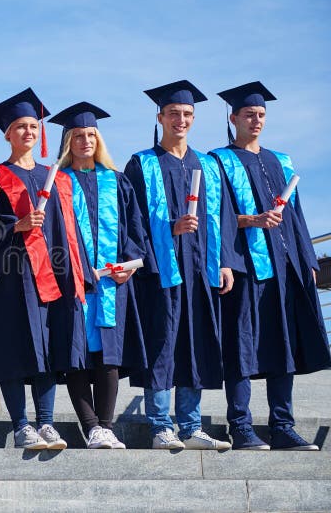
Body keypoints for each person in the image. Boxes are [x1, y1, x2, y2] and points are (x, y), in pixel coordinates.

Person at [210, 82, 331, 450]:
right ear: (233, 118)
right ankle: (241, 426)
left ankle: (282, 425)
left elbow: (295, 215)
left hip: (285, 268)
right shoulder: (219, 160)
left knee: (285, 345)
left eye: (261, 114)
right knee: (242, 346)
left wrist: (308, 261)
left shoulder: (281, 160)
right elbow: (218, 216)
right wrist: (252, 221)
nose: (256, 120)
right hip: (246, 267)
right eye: (249, 114)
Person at [124, 80, 244, 450]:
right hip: (160, 272)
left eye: (188, 114)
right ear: (160, 117)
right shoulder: (142, 163)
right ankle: (161, 425)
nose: (181, 119)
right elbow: (131, 220)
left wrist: (225, 262)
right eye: (173, 113)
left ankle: (191, 426)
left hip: (201, 272)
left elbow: (224, 219)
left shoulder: (207, 164)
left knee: (196, 345)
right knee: (162, 344)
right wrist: (169, 228)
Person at [0, 88, 91, 449]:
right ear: (7, 133)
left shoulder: (57, 177)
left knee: (50, 347)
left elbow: (70, 230)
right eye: (20, 127)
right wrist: (15, 226)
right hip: (14, 274)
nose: (29, 132)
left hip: (55, 274)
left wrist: (80, 274)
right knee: (16, 347)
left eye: (33, 126)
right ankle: (21, 425)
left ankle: (46, 423)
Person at [50, 102, 148, 449]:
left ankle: (105, 426)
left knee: (108, 356)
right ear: (68, 142)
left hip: (111, 285)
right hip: (73, 285)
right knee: (78, 356)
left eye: (91, 134)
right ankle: (90, 427)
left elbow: (136, 233)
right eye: (78, 136)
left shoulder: (118, 182)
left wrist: (130, 265)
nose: (85, 140)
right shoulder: (58, 182)